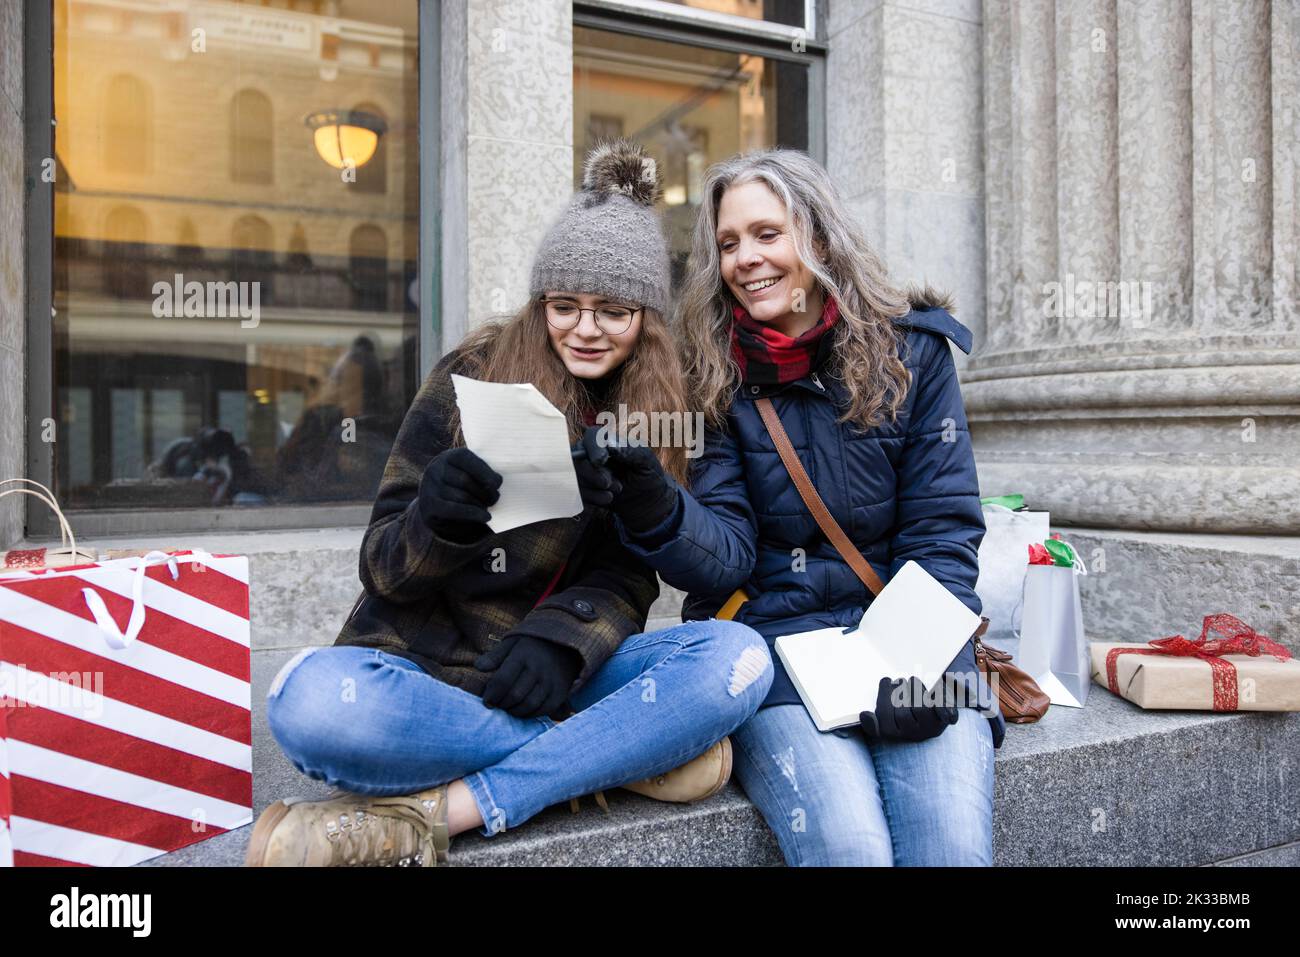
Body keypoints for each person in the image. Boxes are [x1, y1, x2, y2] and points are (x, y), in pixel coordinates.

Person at [245, 140, 773, 867]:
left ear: (647, 318)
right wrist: (435, 518)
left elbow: (631, 579)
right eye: (565, 306)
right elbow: (383, 568)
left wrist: (564, 640)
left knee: (737, 657)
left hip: (566, 674)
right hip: (426, 674)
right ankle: (617, 758)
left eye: (614, 312)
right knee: (304, 702)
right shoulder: (471, 371)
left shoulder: (663, 406)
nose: (585, 330)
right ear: (541, 303)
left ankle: (444, 809)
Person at [596, 148, 1004, 866]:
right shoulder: (712, 374)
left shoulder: (915, 352)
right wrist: (655, 504)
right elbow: (724, 557)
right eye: (727, 243)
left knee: (951, 850)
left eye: (766, 234)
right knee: (849, 848)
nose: (745, 259)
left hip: (912, 637)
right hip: (777, 649)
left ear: (816, 235)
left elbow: (942, 531)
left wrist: (915, 664)